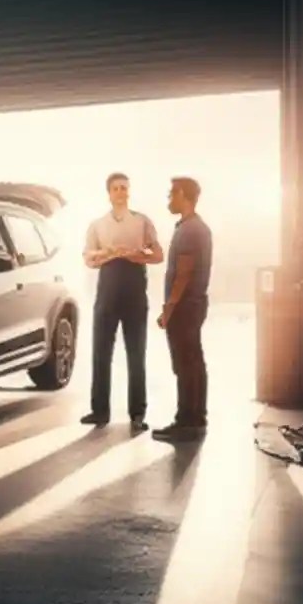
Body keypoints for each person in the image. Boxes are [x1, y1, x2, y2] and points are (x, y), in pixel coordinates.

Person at [81, 172, 164, 432]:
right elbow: (87, 257)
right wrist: (105, 254)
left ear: (129, 192)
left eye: (125, 188)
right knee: (101, 352)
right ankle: (99, 411)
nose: (121, 192)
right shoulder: (97, 225)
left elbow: (158, 254)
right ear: (109, 193)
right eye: (116, 188)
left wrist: (137, 255)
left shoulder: (142, 222)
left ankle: (137, 413)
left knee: (136, 353)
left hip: (134, 291)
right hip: (106, 289)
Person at [153, 176, 213, 441]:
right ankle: (196, 416)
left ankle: (186, 420)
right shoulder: (194, 227)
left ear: (183, 196)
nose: (168, 199)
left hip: (185, 307)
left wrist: (169, 308)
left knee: (185, 364)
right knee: (194, 361)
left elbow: (184, 273)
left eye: (171, 194)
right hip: (194, 305)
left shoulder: (190, 230)